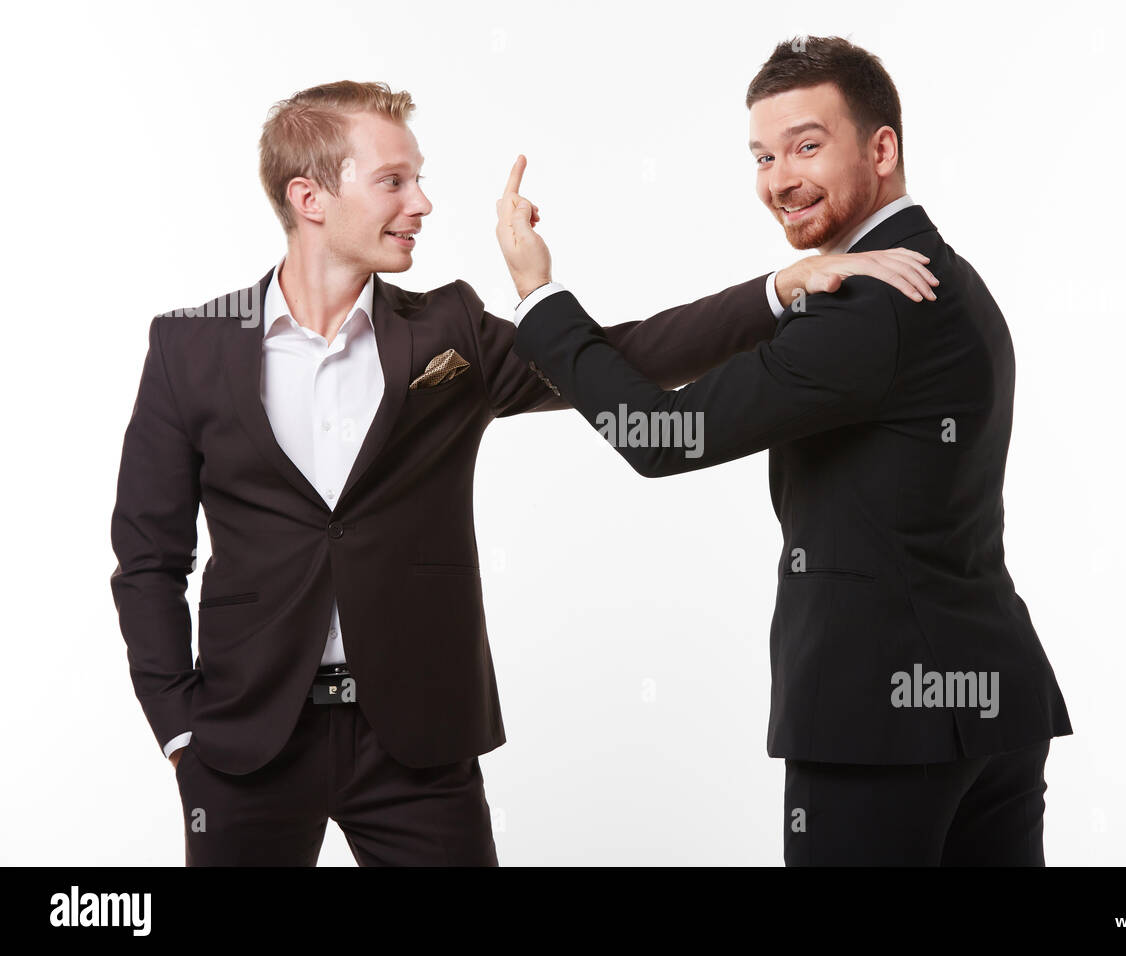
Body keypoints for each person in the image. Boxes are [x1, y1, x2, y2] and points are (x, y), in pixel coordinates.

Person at [109, 78, 935, 866]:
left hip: (417, 743)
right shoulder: (190, 347)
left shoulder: (450, 330)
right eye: (395, 181)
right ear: (309, 197)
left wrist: (778, 290)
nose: (423, 204)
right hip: (245, 742)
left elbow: (620, 355)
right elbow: (148, 559)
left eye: (420, 180)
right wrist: (180, 728)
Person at [497, 37, 1073, 866]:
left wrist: (538, 296)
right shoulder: (947, 276)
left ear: (882, 149)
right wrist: (782, 287)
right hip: (995, 704)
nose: (779, 179)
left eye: (807, 145)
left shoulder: (870, 309)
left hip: (882, 725)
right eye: (763, 156)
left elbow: (663, 437)